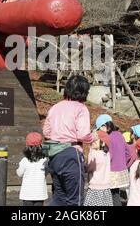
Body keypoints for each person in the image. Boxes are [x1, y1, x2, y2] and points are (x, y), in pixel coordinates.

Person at [43, 75, 97, 206]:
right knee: (75, 200)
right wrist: (93, 137)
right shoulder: (81, 108)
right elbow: (83, 134)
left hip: (54, 155)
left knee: (58, 198)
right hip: (71, 155)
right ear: (84, 92)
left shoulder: (55, 107)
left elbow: (46, 132)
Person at [95, 114, 131, 206]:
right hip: (121, 171)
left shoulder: (108, 138)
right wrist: (123, 164)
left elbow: (108, 156)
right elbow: (128, 153)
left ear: (104, 126)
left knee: (109, 197)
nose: (99, 132)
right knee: (115, 194)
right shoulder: (119, 135)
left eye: (99, 129)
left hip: (110, 172)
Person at [16, 132, 48, 206]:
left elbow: (19, 173)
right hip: (40, 193)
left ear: (27, 146)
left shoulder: (24, 160)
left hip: (27, 194)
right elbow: (46, 172)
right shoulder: (44, 160)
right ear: (41, 145)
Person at [84, 130, 113, 206]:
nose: (92, 142)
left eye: (95, 140)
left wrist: (90, 152)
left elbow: (89, 168)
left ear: (103, 143)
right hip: (106, 187)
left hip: (95, 188)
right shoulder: (107, 154)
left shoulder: (94, 154)